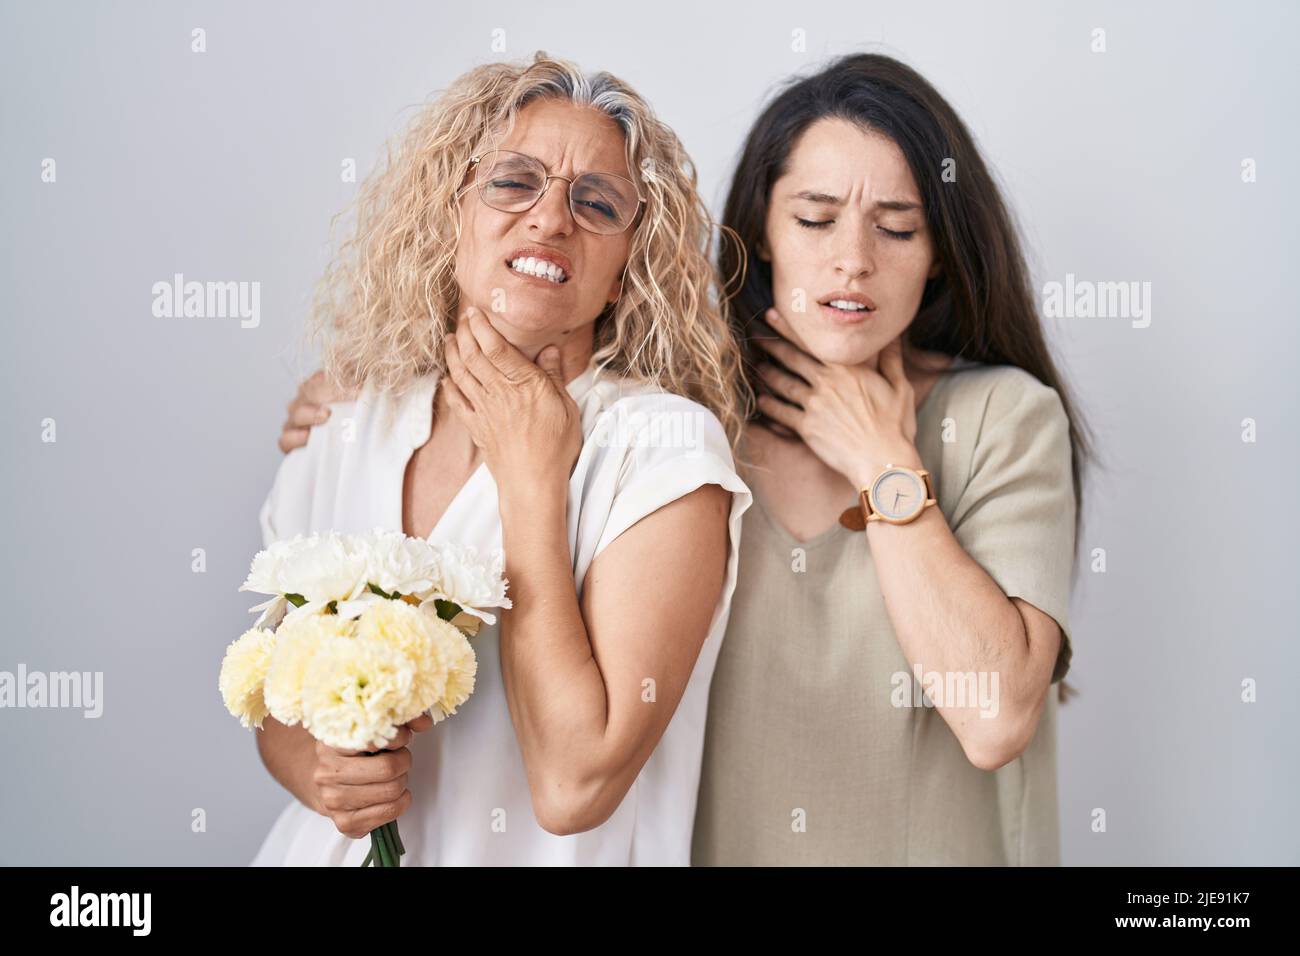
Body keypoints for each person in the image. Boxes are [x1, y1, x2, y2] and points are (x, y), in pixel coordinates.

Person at [281, 53, 1090, 866]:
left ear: (941, 250)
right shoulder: (690, 420)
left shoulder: (999, 420)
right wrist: (355, 403)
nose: (852, 260)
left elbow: (994, 720)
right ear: (762, 233)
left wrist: (882, 460)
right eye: (814, 219)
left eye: (897, 226)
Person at [251, 53, 752, 866]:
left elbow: (574, 785)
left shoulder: (662, 452)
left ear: (627, 271)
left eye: (596, 203)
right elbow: (269, 696)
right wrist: (321, 773)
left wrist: (530, 483)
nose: (551, 219)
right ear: (450, 215)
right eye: (513, 182)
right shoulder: (347, 426)